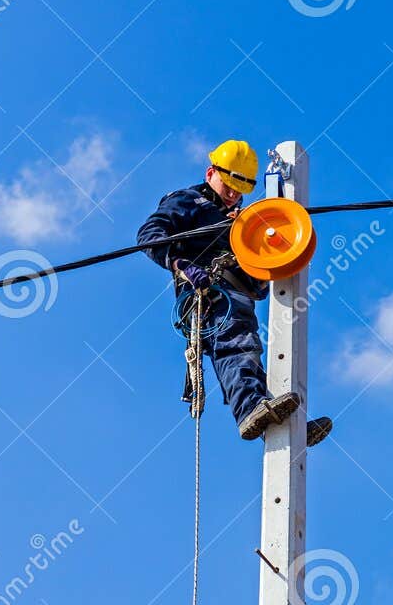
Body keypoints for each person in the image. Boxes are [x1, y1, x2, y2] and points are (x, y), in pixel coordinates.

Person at [137, 139, 332, 443]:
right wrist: (181, 265)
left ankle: (287, 427)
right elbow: (149, 235)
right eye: (227, 185)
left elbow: (258, 274)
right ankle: (250, 409)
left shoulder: (239, 219)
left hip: (237, 296)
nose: (233, 194)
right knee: (235, 346)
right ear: (210, 172)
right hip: (208, 294)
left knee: (249, 352)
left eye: (239, 189)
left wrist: (247, 233)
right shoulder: (188, 201)